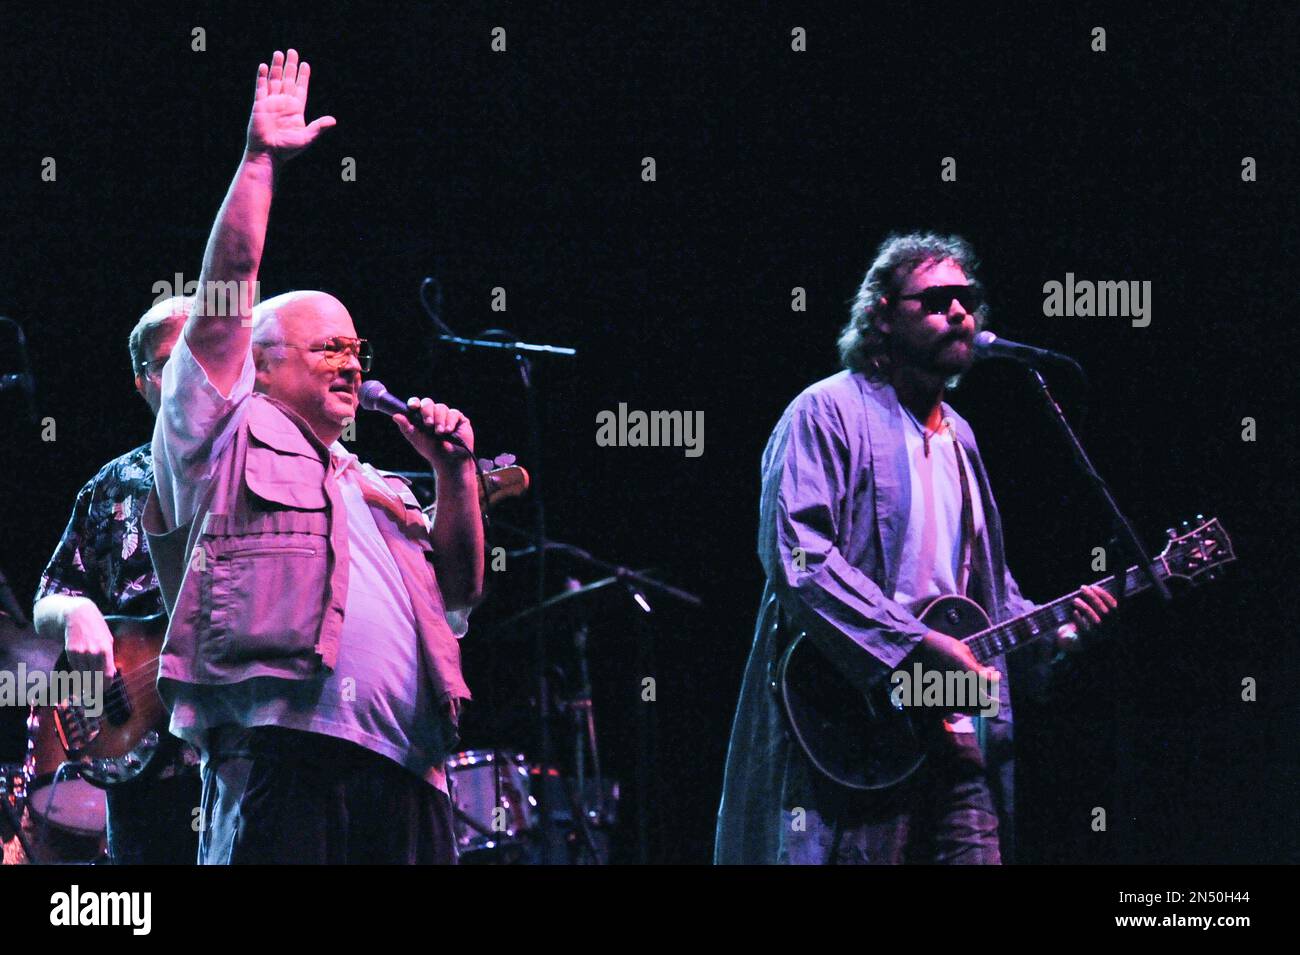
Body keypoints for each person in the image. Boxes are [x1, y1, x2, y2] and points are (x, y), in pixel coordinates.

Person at [142, 49, 485, 864]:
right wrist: (260, 163)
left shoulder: (372, 485)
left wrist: (455, 473)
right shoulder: (216, 434)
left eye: (357, 347)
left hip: (411, 773)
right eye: (327, 346)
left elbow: (463, 595)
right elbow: (228, 286)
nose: (351, 362)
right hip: (287, 755)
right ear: (260, 365)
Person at [715, 232, 1116, 865]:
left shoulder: (962, 438)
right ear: (882, 313)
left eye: (969, 300)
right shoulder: (824, 412)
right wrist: (912, 645)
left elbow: (988, 593)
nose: (960, 313)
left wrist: (1057, 637)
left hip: (953, 723)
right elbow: (800, 559)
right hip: (854, 721)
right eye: (937, 300)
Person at [32, 296, 201, 864]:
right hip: (144, 771)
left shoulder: (273, 467)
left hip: (252, 758)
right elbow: (47, 597)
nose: (181, 377)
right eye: (164, 364)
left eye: (197, 358)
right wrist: (76, 613)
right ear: (141, 383)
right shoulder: (112, 485)